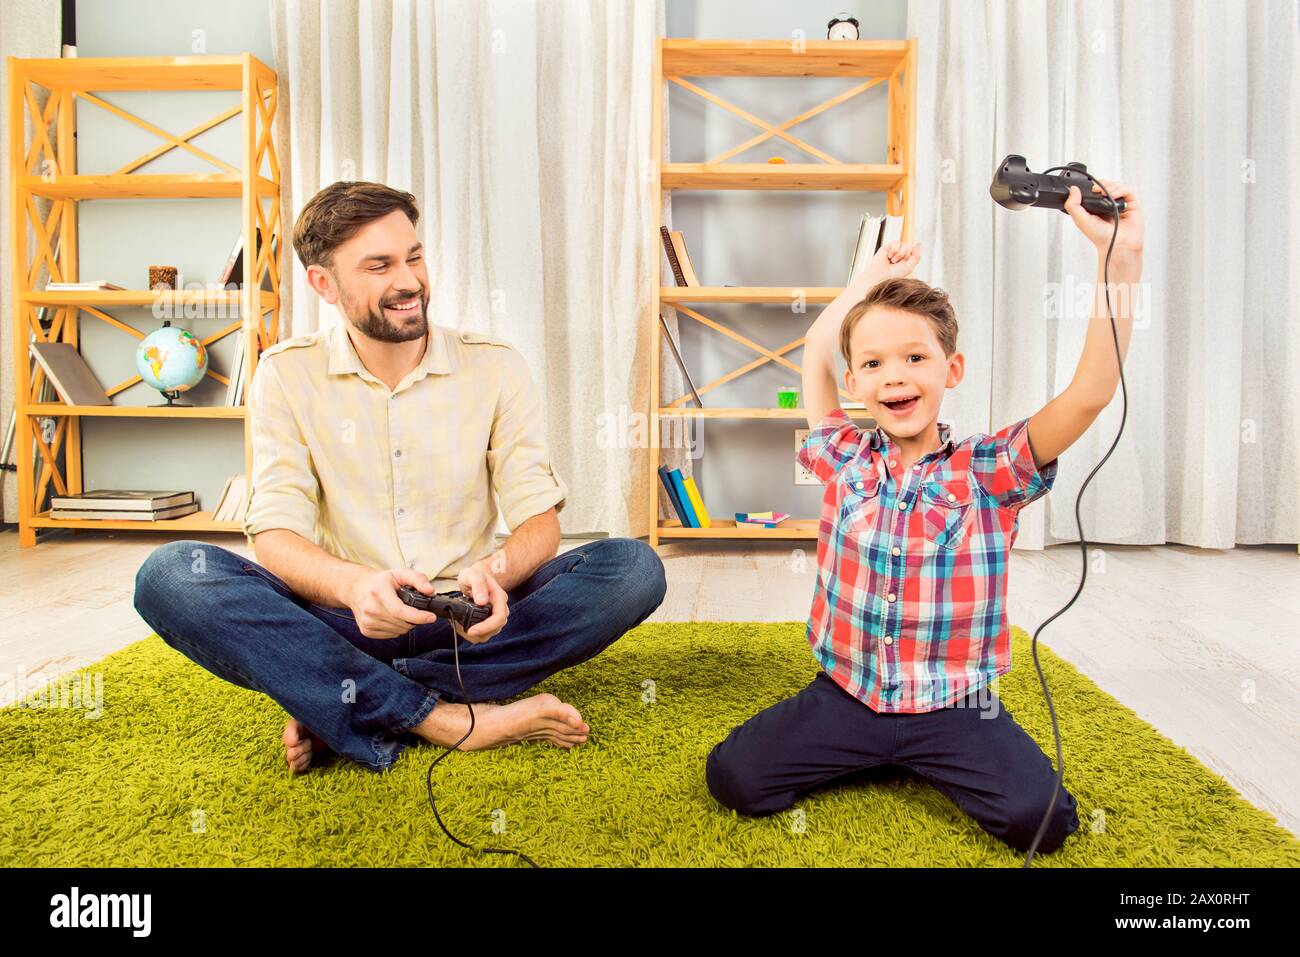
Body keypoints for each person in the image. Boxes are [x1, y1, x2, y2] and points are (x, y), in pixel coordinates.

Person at [134, 181, 666, 774]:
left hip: (465, 619)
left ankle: (343, 695)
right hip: (344, 616)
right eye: (379, 265)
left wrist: (495, 573)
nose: (410, 281)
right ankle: (449, 719)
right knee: (172, 575)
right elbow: (275, 537)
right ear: (324, 284)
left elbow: (538, 520)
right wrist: (358, 587)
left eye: (414, 256)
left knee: (633, 569)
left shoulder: (496, 365)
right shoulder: (284, 376)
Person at [706, 180, 1143, 853]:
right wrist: (863, 282)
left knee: (1044, 821)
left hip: (955, 707)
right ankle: (870, 750)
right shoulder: (845, 455)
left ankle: (920, 754)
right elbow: (813, 353)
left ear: (952, 368)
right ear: (856, 383)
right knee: (733, 776)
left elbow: (1089, 395)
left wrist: (1119, 262)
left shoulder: (990, 469)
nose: (895, 376)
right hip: (846, 695)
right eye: (874, 363)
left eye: (915, 358)